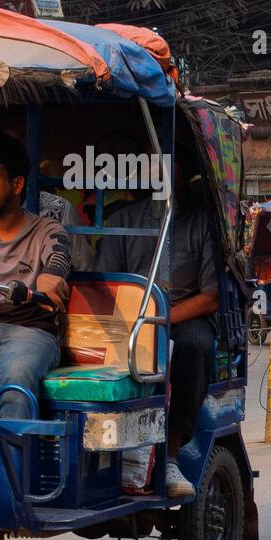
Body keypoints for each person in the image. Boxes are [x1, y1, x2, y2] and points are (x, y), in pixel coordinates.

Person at [95, 150, 221, 499]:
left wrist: (160, 320)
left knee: (193, 347)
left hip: (182, 315)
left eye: (170, 161)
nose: (161, 170)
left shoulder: (200, 223)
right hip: (130, 317)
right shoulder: (124, 219)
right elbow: (107, 288)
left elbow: (210, 295)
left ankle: (171, 453)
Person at [0, 134, 72, 420]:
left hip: (28, 334)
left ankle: (10, 463)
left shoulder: (47, 230)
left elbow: (56, 264)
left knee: (16, 383)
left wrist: (49, 282)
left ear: (17, 184)